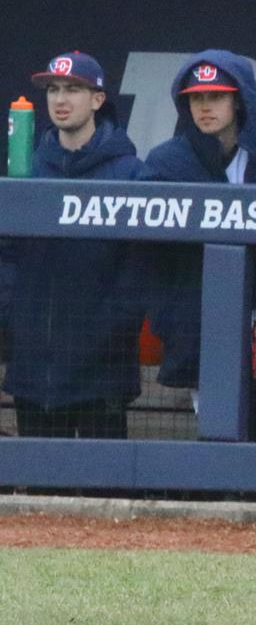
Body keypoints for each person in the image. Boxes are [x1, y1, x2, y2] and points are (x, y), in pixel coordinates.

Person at [139, 50, 256, 440]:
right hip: (201, 321)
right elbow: (149, 256)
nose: (204, 107)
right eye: (196, 98)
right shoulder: (165, 163)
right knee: (218, 433)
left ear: (239, 100)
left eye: (216, 97)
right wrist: (170, 317)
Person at [1, 52, 145, 440]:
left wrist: (110, 326)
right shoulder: (26, 166)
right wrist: (14, 313)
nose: (60, 100)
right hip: (35, 367)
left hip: (102, 369)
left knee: (108, 493)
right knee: (42, 492)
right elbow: (8, 254)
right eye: (54, 89)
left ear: (97, 99)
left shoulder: (130, 172)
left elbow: (139, 269)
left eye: (73, 89)